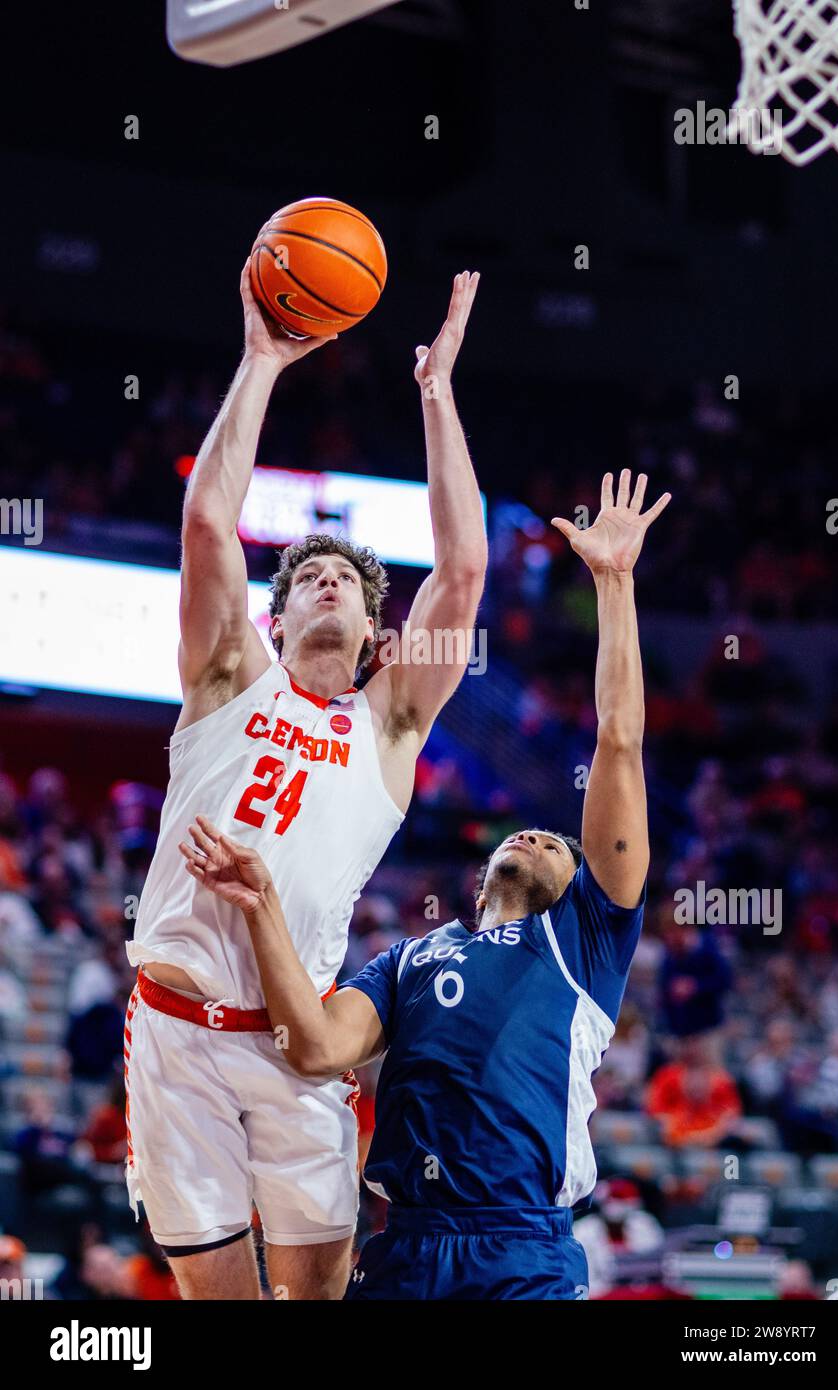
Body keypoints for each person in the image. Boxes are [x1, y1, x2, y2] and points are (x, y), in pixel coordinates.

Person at [178, 470, 669, 1300]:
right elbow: (316, 1048)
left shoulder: (586, 938)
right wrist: (260, 909)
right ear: (479, 876)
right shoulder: (407, 960)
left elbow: (618, 741)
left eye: (562, 844)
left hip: (522, 1248)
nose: (546, 834)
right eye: (532, 833)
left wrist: (614, 585)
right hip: (405, 1246)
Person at [124, 265, 487, 1299]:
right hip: (174, 1033)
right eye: (305, 578)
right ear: (273, 622)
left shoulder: (390, 723)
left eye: (346, 579)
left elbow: (460, 576)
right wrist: (261, 361)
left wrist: (437, 392)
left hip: (297, 1046)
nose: (326, 579)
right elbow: (206, 527)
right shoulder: (227, 677)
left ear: (377, 632)